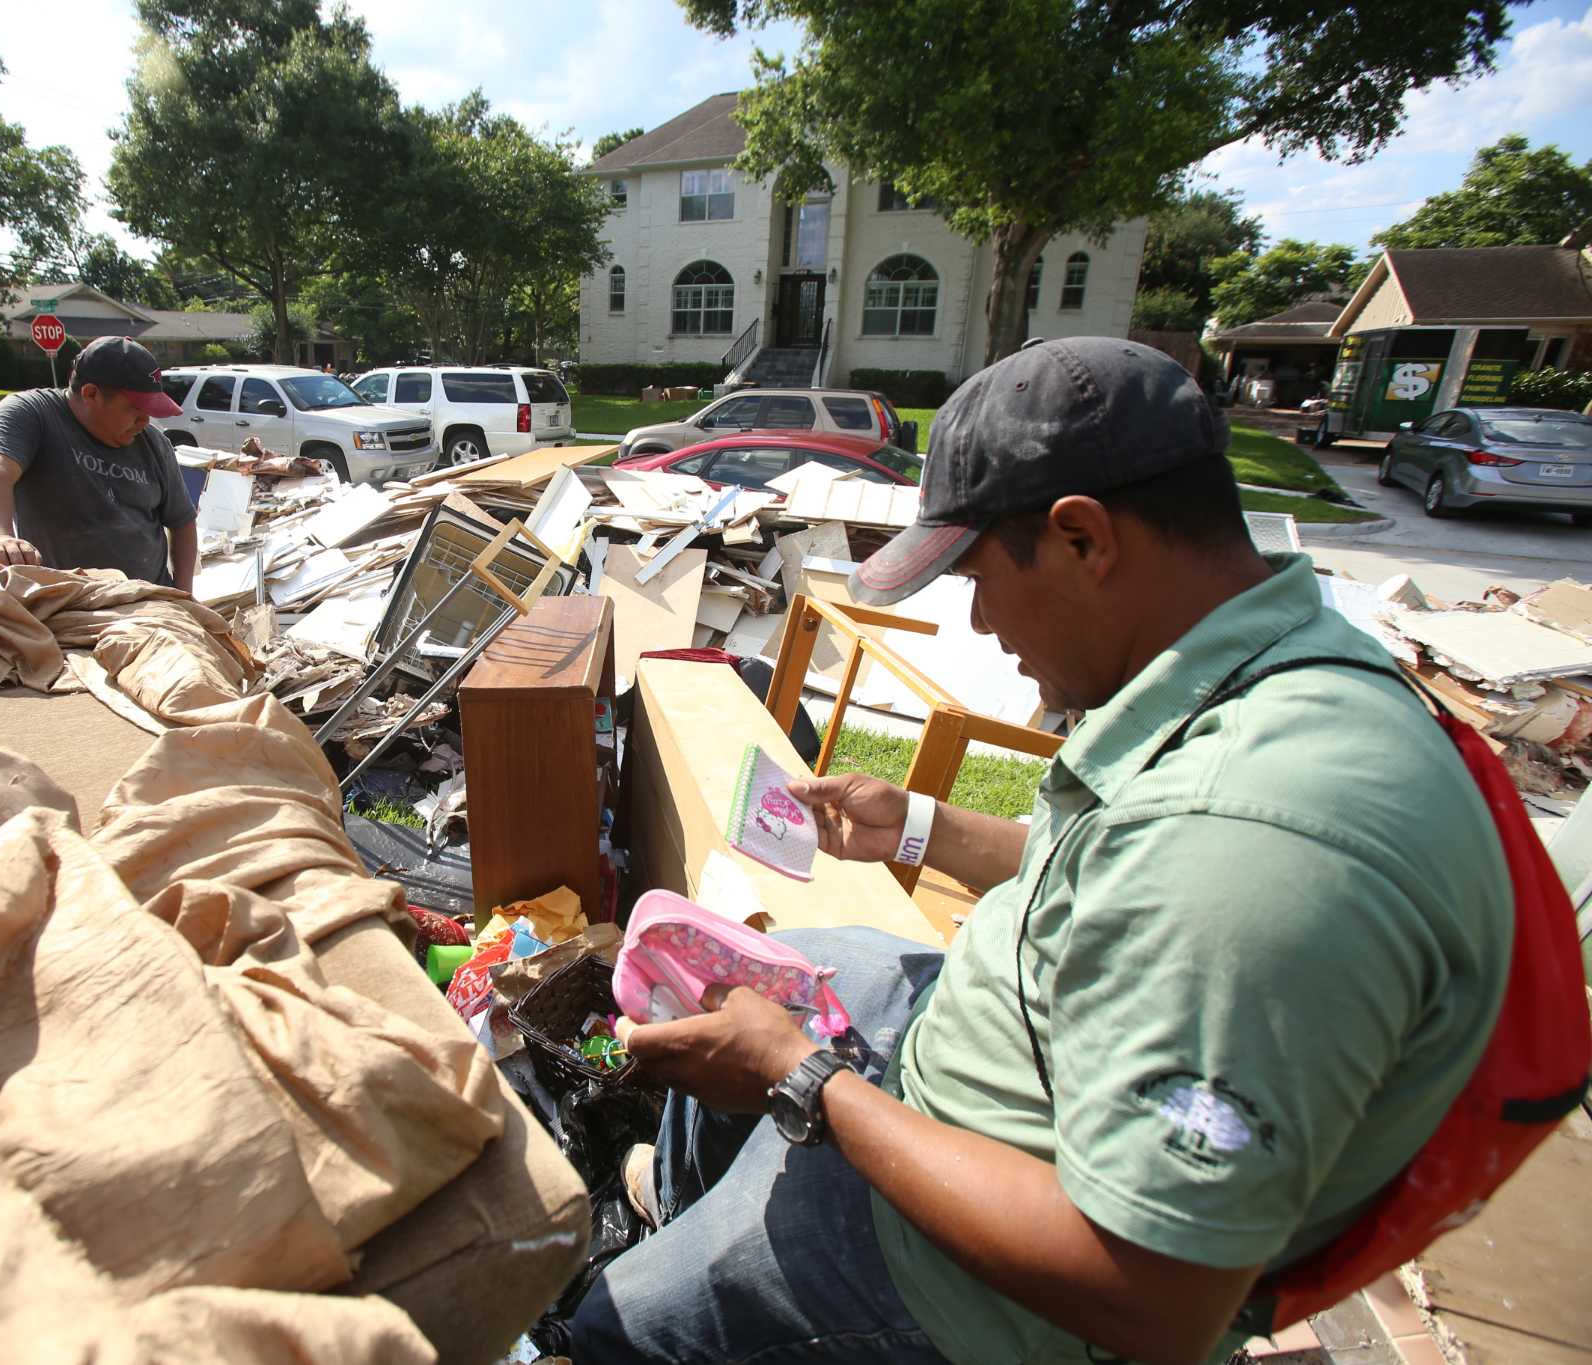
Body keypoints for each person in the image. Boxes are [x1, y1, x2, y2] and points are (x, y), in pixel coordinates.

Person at [565, 338, 1512, 1365]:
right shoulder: (1244, 667)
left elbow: (1144, 1296)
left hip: (970, 1292)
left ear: (1080, 540)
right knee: (815, 964)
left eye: (975, 574)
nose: (978, 619)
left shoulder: (1250, 851)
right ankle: (692, 1202)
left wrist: (804, 1084)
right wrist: (917, 827)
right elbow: (1109, 875)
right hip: (979, 1056)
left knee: (623, 1329)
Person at [0, 336, 197, 591]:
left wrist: (183, 594)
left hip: (148, 599)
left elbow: (182, 522)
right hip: (67, 602)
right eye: (135, 408)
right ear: (91, 393)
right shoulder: (33, 413)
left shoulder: (154, 443)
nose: (145, 420)